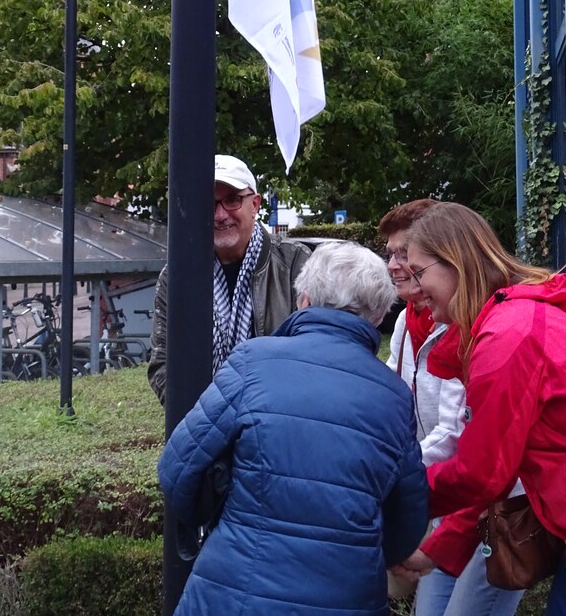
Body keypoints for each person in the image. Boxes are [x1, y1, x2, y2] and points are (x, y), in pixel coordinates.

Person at [393, 201, 566, 616]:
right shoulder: (511, 321)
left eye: (418, 272)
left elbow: (481, 472)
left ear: (456, 262)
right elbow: (495, 470)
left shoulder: (507, 335)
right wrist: (440, 546)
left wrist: (394, 495)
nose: (413, 288)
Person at [158, 241, 430, 616]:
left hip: (233, 592)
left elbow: (178, 466)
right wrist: (364, 551)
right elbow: (409, 514)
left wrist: (215, 520)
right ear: (381, 313)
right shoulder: (394, 396)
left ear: (304, 299)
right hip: (348, 596)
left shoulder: (253, 361)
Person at [381, 200, 523, 616]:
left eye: (408, 259)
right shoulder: (410, 321)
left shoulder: (493, 332)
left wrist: (392, 482)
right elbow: (392, 396)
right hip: (458, 494)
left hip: (500, 509)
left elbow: (470, 451)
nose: (394, 267)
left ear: (450, 258)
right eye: (392, 255)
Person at [148, 154, 310, 404]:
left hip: (276, 417)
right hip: (203, 420)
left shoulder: (295, 265)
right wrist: (204, 417)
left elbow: (312, 357)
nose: (220, 215)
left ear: (255, 204)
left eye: (232, 200)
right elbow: (162, 365)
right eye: (208, 203)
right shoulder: (177, 276)